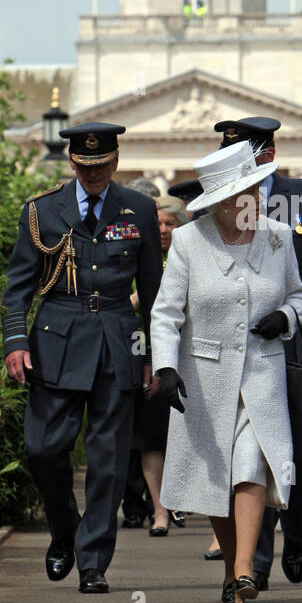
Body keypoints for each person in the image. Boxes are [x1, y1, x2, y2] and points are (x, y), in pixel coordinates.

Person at [2, 122, 163, 593]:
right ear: (72, 162)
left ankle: (93, 562)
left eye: (103, 166)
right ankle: (64, 530)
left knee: (108, 459)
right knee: (43, 449)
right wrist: (15, 342)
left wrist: (154, 352)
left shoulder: (139, 208)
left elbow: (153, 293)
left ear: (115, 162)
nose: (93, 174)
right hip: (56, 338)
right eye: (85, 166)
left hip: (118, 339)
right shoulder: (41, 210)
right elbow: (17, 288)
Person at [151, 140, 302, 603]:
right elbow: (165, 314)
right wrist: (164, 366)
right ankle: (231, 568)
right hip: (203, 376)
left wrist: (286, 316)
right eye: (246, 194)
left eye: (257, 191)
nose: (256, 200)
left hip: (262, 374)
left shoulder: (279, 237)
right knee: (214, 474)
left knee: (250, 465)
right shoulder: (187, 241)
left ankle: (244, 570)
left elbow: (300, 295)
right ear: (221, 203)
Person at [213, 117, 302, 590]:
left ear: (267, 154)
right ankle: (255, 562)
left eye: (244, 155)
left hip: (299, 340)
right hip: (243, 344)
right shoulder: (215, 200)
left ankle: (297, 527)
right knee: (254, 448)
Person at [121, 190, 189, 535]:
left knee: (181, 434)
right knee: (149, 436)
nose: (163, 229)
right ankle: (159, 510)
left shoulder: (190, 254)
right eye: (157, 223)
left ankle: (181, 502)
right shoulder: (134, 257)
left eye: (170, 223)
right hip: (143, 350)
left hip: (185, 355)